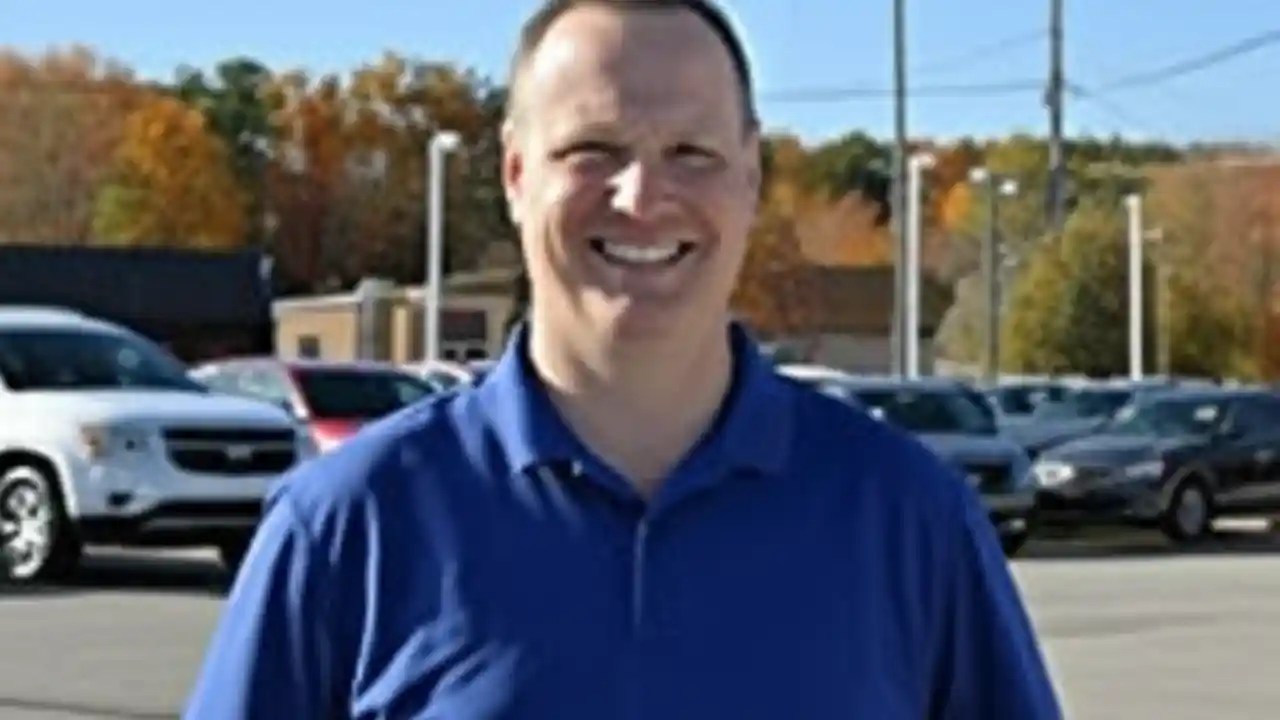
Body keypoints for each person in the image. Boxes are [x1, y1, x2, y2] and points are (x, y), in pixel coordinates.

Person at [184, 1, 1063, 717]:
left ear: (751, 178)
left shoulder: (909, 519)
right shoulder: (349, 524)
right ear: (518, 174)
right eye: (593, 151)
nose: (644, 197)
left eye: (692, 153)